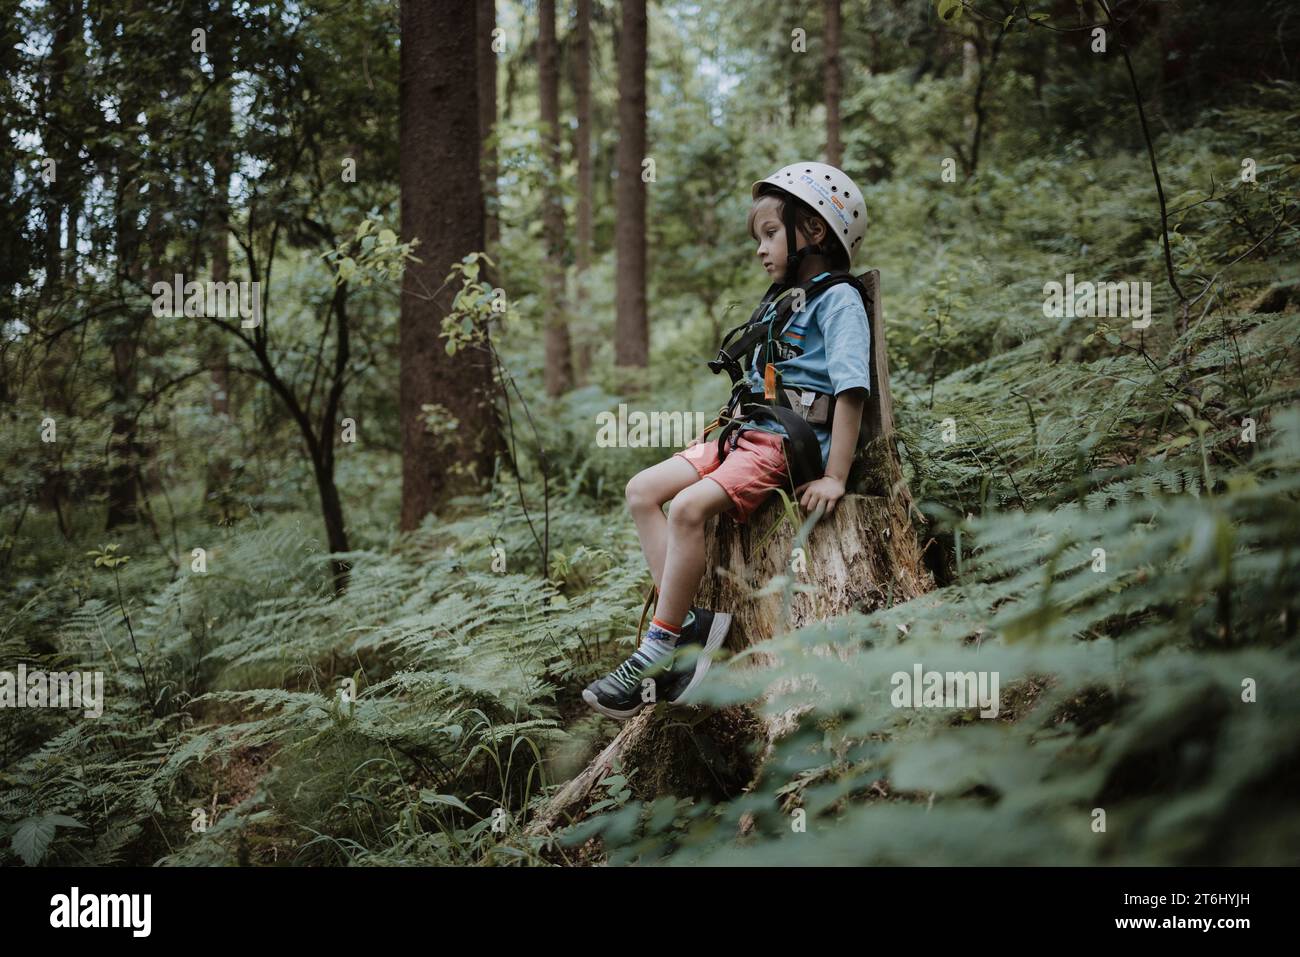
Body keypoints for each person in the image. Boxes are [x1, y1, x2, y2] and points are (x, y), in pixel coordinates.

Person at [582, 161, 874, 720]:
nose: (761, 250)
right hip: (747, 430)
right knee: (643, 490)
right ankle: (690, 623)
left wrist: (835, 474)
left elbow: (851, 391)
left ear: (813, 231)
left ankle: (657, 651)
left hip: (787, 443)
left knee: (689, 509)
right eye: (757, 238)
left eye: (770, 234)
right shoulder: (788, 299)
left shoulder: (838, 300)